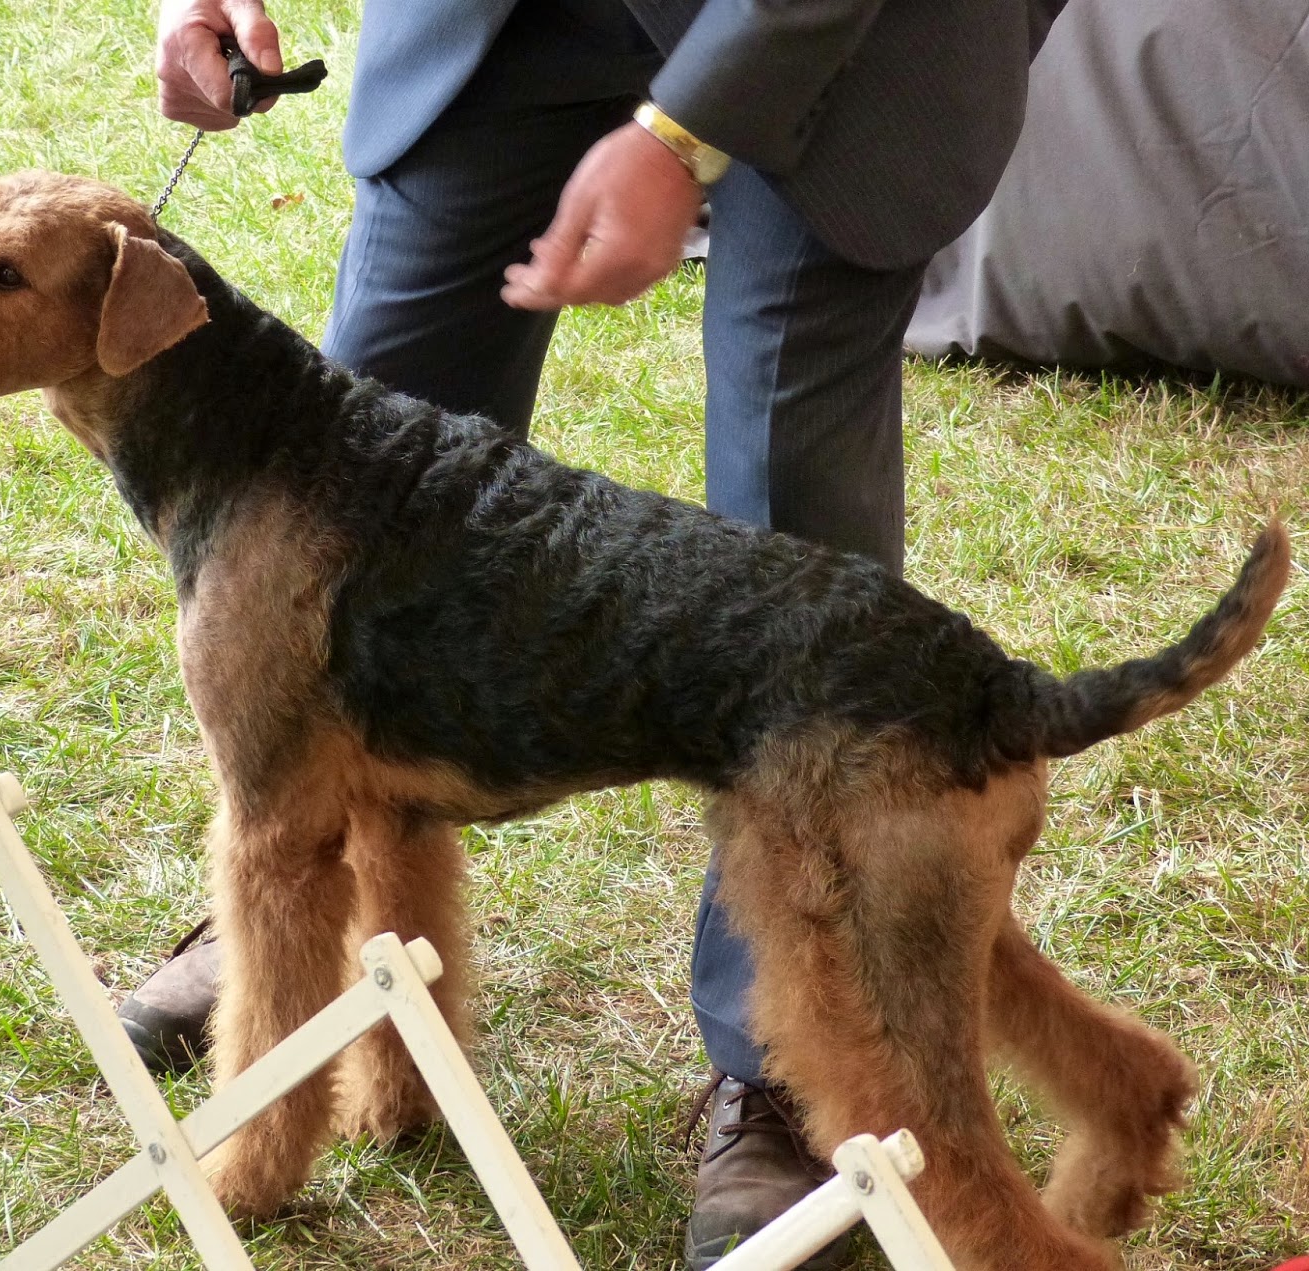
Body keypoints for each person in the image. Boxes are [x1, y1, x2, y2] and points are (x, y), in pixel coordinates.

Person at [123, 0, 1066, 1265]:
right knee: (356, 456)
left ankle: (779, 1069)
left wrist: (680, 135)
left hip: (841, 41)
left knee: (795, 519)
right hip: (500, 25)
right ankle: (312, 907)